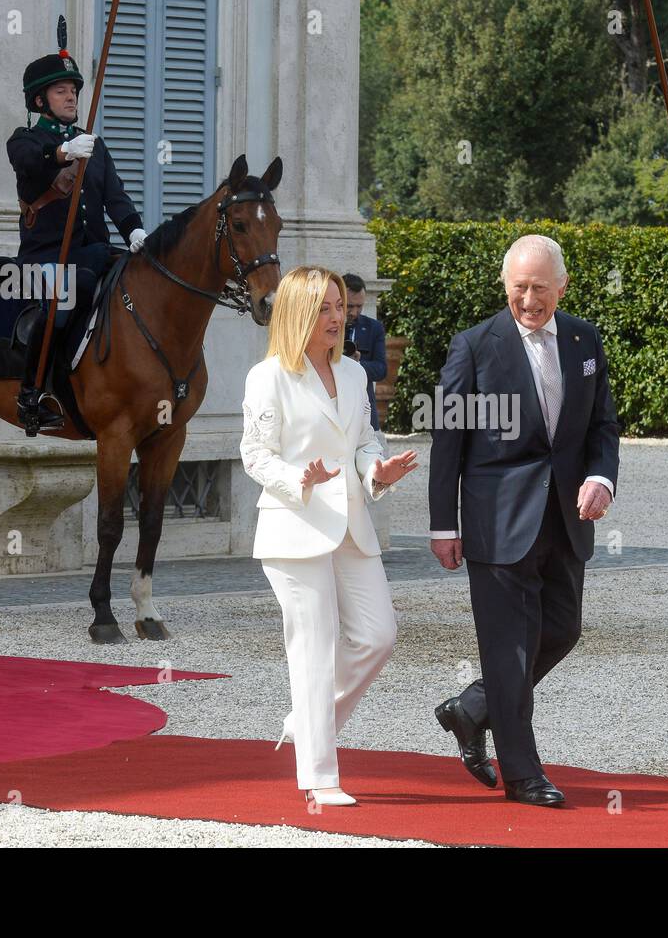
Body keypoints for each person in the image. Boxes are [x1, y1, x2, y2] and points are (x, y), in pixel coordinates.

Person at [429, 235, 620, 807]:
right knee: (510, 650)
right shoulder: (473, 347)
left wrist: (602, 478)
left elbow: (602, 427)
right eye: (519, 288)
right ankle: (523, 774)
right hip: (496, 523)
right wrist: (444, 525)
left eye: (540, 288)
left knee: (562, 630)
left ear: (561, 287)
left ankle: (474, 707)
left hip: (566, 519)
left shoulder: (585, 338)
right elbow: (447, 442)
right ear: (505, 286)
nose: (529, 299)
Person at [240, 266, 418, 807]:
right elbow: (255, 454)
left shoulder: (357, 376)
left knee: (378, 635)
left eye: (340, 306)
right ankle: (319, 776)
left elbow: (363, 442)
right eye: (324, 308)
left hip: (351, 525)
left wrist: (376, 472)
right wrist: (300, 480)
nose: (337, 317)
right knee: (313, 650)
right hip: (293, 526)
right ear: (297, 312)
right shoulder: (267, 376)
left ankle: (306, 721)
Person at [6, 16, 147, 435]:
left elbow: (116, 196)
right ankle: (32, 396)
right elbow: (30, 166)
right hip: (46, 258)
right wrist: (64, 153)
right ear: (39, 102)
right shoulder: (26, 141)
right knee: (70, 293)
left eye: (74, 91)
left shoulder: (94, 145)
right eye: (61, 91)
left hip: (95, 251)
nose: (71, 98)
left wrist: (135, 230)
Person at [340, 274, 387, 431]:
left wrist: (357, 364)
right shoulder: (325, 327)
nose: (354, 312)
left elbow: (381, 370)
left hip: (363, 408)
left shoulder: (374, 328)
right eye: (349, 306)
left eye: (359, 306)